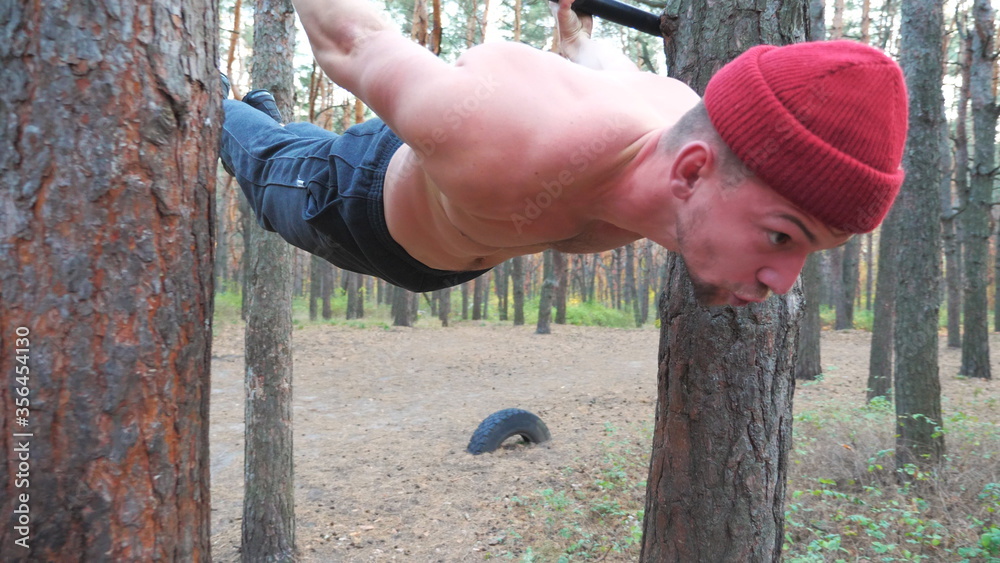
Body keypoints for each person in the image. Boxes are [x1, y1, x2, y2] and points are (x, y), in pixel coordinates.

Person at [220, 0, 908, 307]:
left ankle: (258, 112)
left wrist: (575, 32)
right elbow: (348, 40)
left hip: (454, 224)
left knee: (280, 140)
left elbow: (607, 72)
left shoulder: (677, 116)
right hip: (355, 205)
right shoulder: (504, 135)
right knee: (257, 158)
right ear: (692, 171)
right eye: (782, 236)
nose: (784, 281)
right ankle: (217, 101)